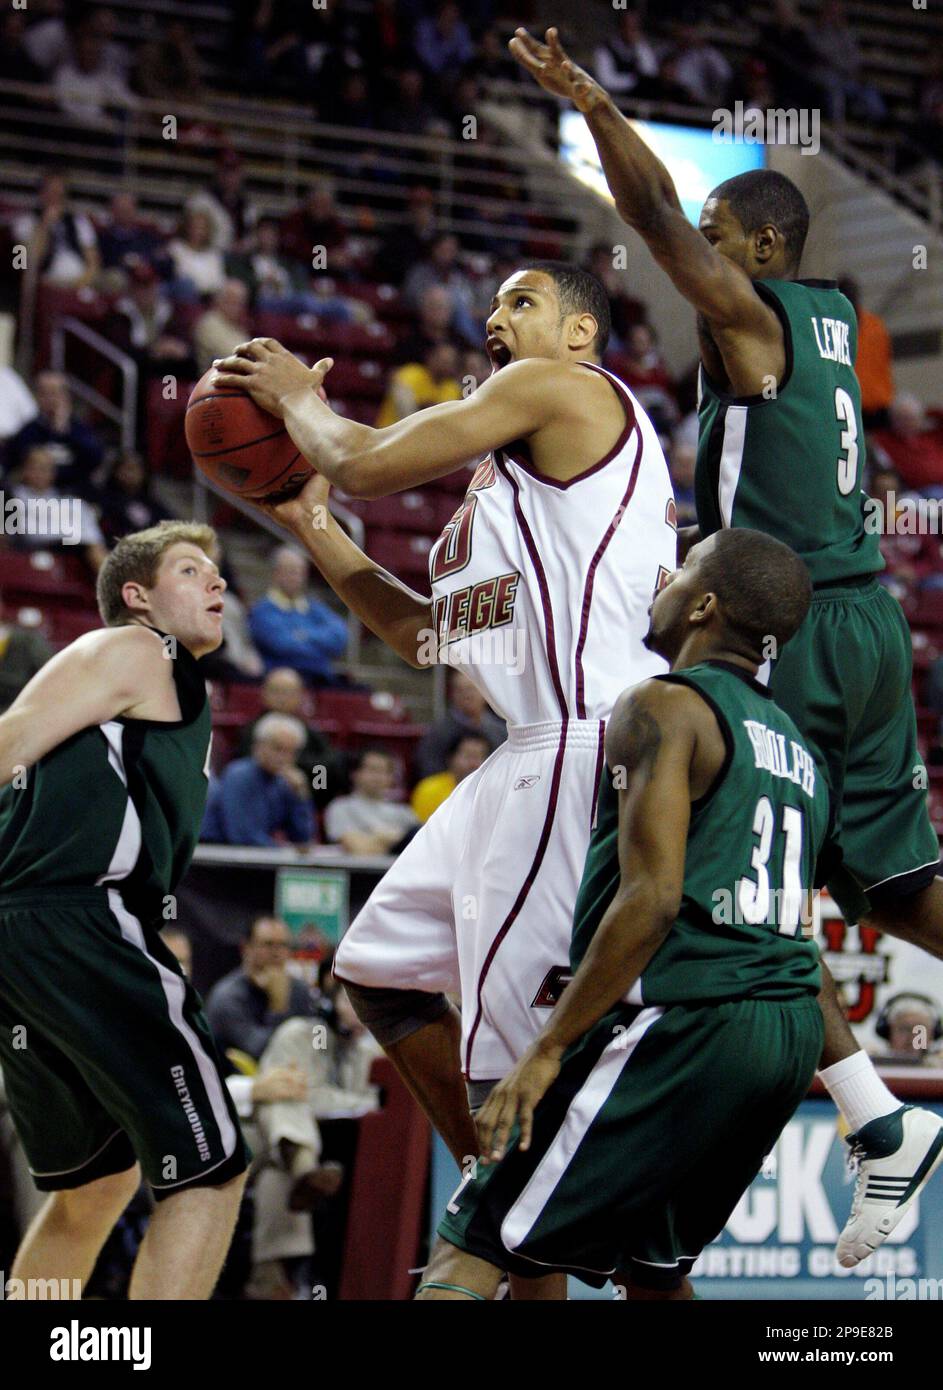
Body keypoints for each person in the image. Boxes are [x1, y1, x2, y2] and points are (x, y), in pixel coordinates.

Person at [510, 25, 943, 1266]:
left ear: (758, 245)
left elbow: (651, 223)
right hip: (866, 622)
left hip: (790, 624)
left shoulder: (752, 322)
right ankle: (878, 1124)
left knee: (737, 890)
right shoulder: (829, 330)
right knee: (898, 886)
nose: (697, 248)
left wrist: (594, 106)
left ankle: (876, 1123)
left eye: (717, 230)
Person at [212, 258, 676, 1300]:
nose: (495, 317)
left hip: (579, 749)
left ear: (581, 336)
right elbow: (423, 635)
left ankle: (501, 1221)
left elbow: (367, 463)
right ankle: (502, 1191)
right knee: (377, 969)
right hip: (522, 753)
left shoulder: (573, 393)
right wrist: (314, 528)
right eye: (494, 303)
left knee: (513, 1066)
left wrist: (298, 399)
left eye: (524, 301)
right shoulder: (504, 491)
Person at [419, 528, 831, 1299]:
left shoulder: (663, 704)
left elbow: (652, 898)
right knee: (653, 1273)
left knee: (472, 1246)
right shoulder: (798, 749)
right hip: (781, 1037)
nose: (665, 577)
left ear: (704, 605)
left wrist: (549, 1047)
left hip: (688, 1019)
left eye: (685, 571)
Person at [0, 519, 249, 1299]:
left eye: (217, 572)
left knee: (94, 1186)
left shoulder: (157, 681)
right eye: (189, 570)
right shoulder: (139, 649)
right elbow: (4, 742)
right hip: (80, 918)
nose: (216, 583)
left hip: (29, 932)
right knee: (211, 1167)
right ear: (137, 598)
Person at [201, 712, 316, 848]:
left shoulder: (284, 783)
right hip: (212, 856)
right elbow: (242, 837)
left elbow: (303, 837)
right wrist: (282, 851)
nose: (284, 758)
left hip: (249, 859)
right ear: (258, 746)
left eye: (291, 752)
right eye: (278, 748)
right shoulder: (239, 775)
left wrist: (301, 795)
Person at [237, 666, 342, 810]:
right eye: (277, 691)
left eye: (289, 693)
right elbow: (246, 761)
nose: (282, 698)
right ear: (264, 694)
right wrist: (282, 771)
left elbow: (327, 761)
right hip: (261, 794)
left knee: (325, 773)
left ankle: (317, 803)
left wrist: (303, 773)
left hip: (306, 786)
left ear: (300, 696)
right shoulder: (254, 729)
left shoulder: (308, 730)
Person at [248, 546, 348, 686]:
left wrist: (302, 635)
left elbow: (340, 637)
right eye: (290, 571)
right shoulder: (262, 611)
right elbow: (282, 645)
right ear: (276, 573)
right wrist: (321, 647)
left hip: (320, 679)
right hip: (281, 681)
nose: (295, 577)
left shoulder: (315, 608)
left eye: (299, 572)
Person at [5, 369, 104, 495]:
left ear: (66, 396)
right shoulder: (28, 431)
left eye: (54, 393)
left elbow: (95, 460)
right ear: (37, 397)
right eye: (44, 393)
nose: (50, 399)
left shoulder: (81, 430)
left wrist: (65, 431)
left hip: (74, 496)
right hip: (34, 497)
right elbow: (12, 461)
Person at [12, 170, 100, 290]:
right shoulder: (25, 222)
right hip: (49, 282)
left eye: (59, 194)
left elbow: (93, 262)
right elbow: (29, 262)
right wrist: (45, 225)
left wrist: (81, 283)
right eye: (51, 192)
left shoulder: (78, 221)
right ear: (41, 193)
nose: (55, 198)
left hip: (81, 282)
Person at [413, 668, 505, 780]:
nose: (467, 695)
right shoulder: (438, 733)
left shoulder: (501, 731)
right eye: (460, 690)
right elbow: (429, 770)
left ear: (485, 693)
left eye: (471, 689)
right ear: (452, 694)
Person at [324, 748, 418, 855]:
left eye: (384, 771)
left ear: (391, 778)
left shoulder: (404, 812)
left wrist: (378, 837)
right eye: (372, 770)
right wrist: (394, 837)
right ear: (355, 773)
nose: (377, 777)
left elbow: (419, 850)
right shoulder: (340, 807)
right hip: (360, 870)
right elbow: (358, 849)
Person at [375, 342, 463, 427]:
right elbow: (407, 414)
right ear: (430, 357)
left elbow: (445, 421)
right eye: (442, 360)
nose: (445, 365)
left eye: (449, 362)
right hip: (391, 434)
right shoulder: (409, 374)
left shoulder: (452, 387)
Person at [411, 731, 490, 823]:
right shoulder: (430, 790)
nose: (474, 764)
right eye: (468, 756)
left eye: (480, 757)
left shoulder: (494, 792)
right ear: (451, 759)